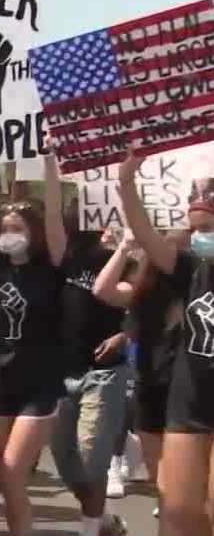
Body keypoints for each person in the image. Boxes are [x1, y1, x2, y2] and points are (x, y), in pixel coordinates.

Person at [0, 152, 68, 536]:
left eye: (18, 228)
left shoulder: (51, 265)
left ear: (35, 232)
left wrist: (50, 165)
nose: (8, 234)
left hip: (39, 386)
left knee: (11, 472)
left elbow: (55, 216)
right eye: (3, 227)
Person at [117, 149, 214, 536]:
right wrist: (126, 183)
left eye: (208, 231)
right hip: (188, 403)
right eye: (196, 233)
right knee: (177, 514)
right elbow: (145, 234)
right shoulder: (191, 267)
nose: (200, 240)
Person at [48, 225, 131, 536]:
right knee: (65, 462)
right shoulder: (68, 258)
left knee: (90, 460)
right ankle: (104, 520)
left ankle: (90, 529)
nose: (107, 233)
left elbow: (149, 310)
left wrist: (125, 336)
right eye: (101, 227)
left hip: (104, 373)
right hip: (61, 373)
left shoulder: (132, 263)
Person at [94, 229, 184, 501]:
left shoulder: (199, 279)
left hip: (192, 388)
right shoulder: (143, 284)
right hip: (151, 382)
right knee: (161, 481)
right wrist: (124, 247)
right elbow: (103, 290)